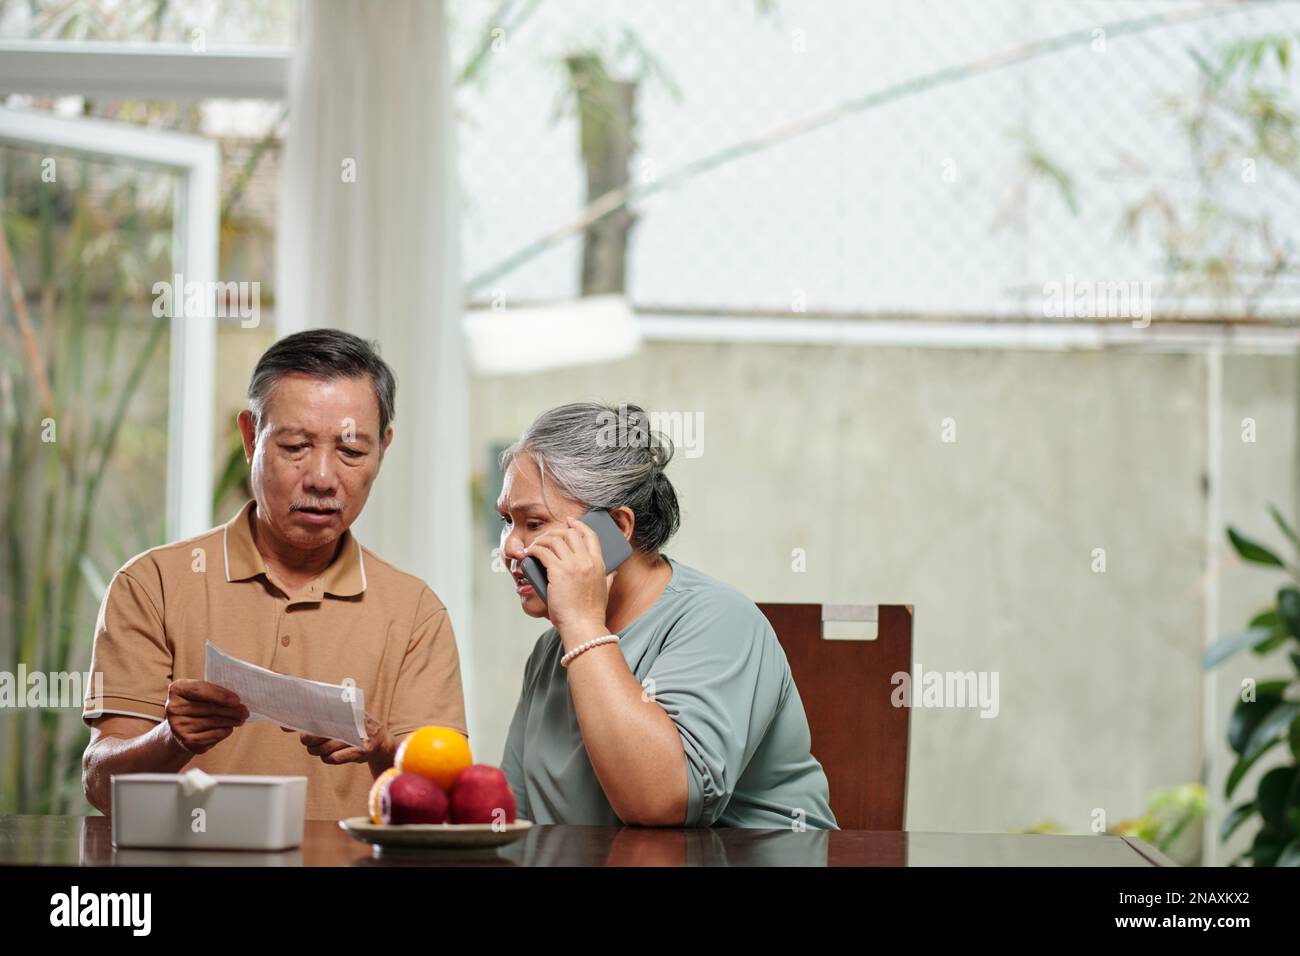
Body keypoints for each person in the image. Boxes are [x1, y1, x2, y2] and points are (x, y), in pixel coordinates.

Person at [81, 329, 467, 820]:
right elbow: (99, 786)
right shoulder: (151, 584)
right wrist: (170, 738)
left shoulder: (415, 613)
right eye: (296, 446)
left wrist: (383, 747)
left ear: (383, 450)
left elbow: (447, 801)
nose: (323, 478)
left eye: (351, 452)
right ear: (250, 437)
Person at [498, 401, 837, 829]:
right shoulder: (552, 650)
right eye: (507, 521)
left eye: (533, 522)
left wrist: (583, 625)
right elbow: (513, 818)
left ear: (616, 530)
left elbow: (661, 802)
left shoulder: (721, 621)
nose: (509, 546)